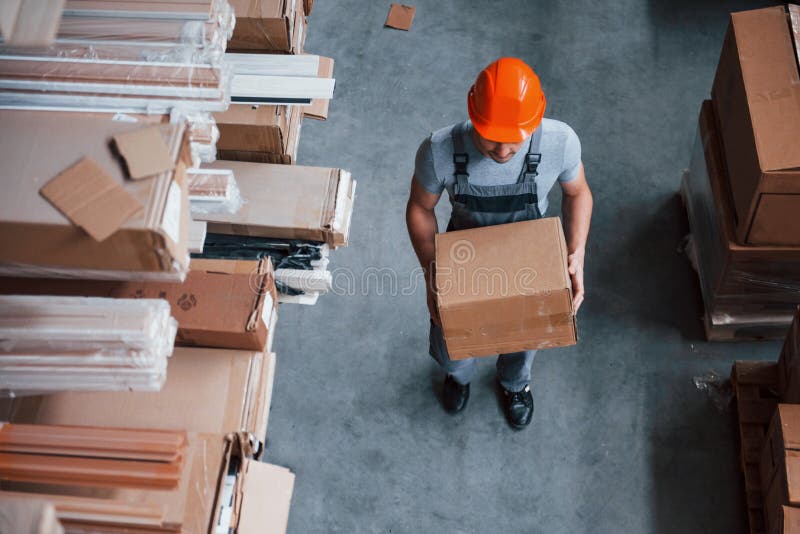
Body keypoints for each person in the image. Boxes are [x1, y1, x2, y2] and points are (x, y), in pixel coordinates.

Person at [405, 57, 593, 430]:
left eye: (516, 139)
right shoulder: (439, 150)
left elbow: (579, 193)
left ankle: (515, 384)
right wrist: (432, 270)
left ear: (537, 120)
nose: (504, 151)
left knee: (526, 334)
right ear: (471, 111)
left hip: (530, 256)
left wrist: (576, 253)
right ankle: (458, 376)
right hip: (464, 259)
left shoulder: (560, 142)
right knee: (452, 335)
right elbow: (419, 208)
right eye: (491, 135)